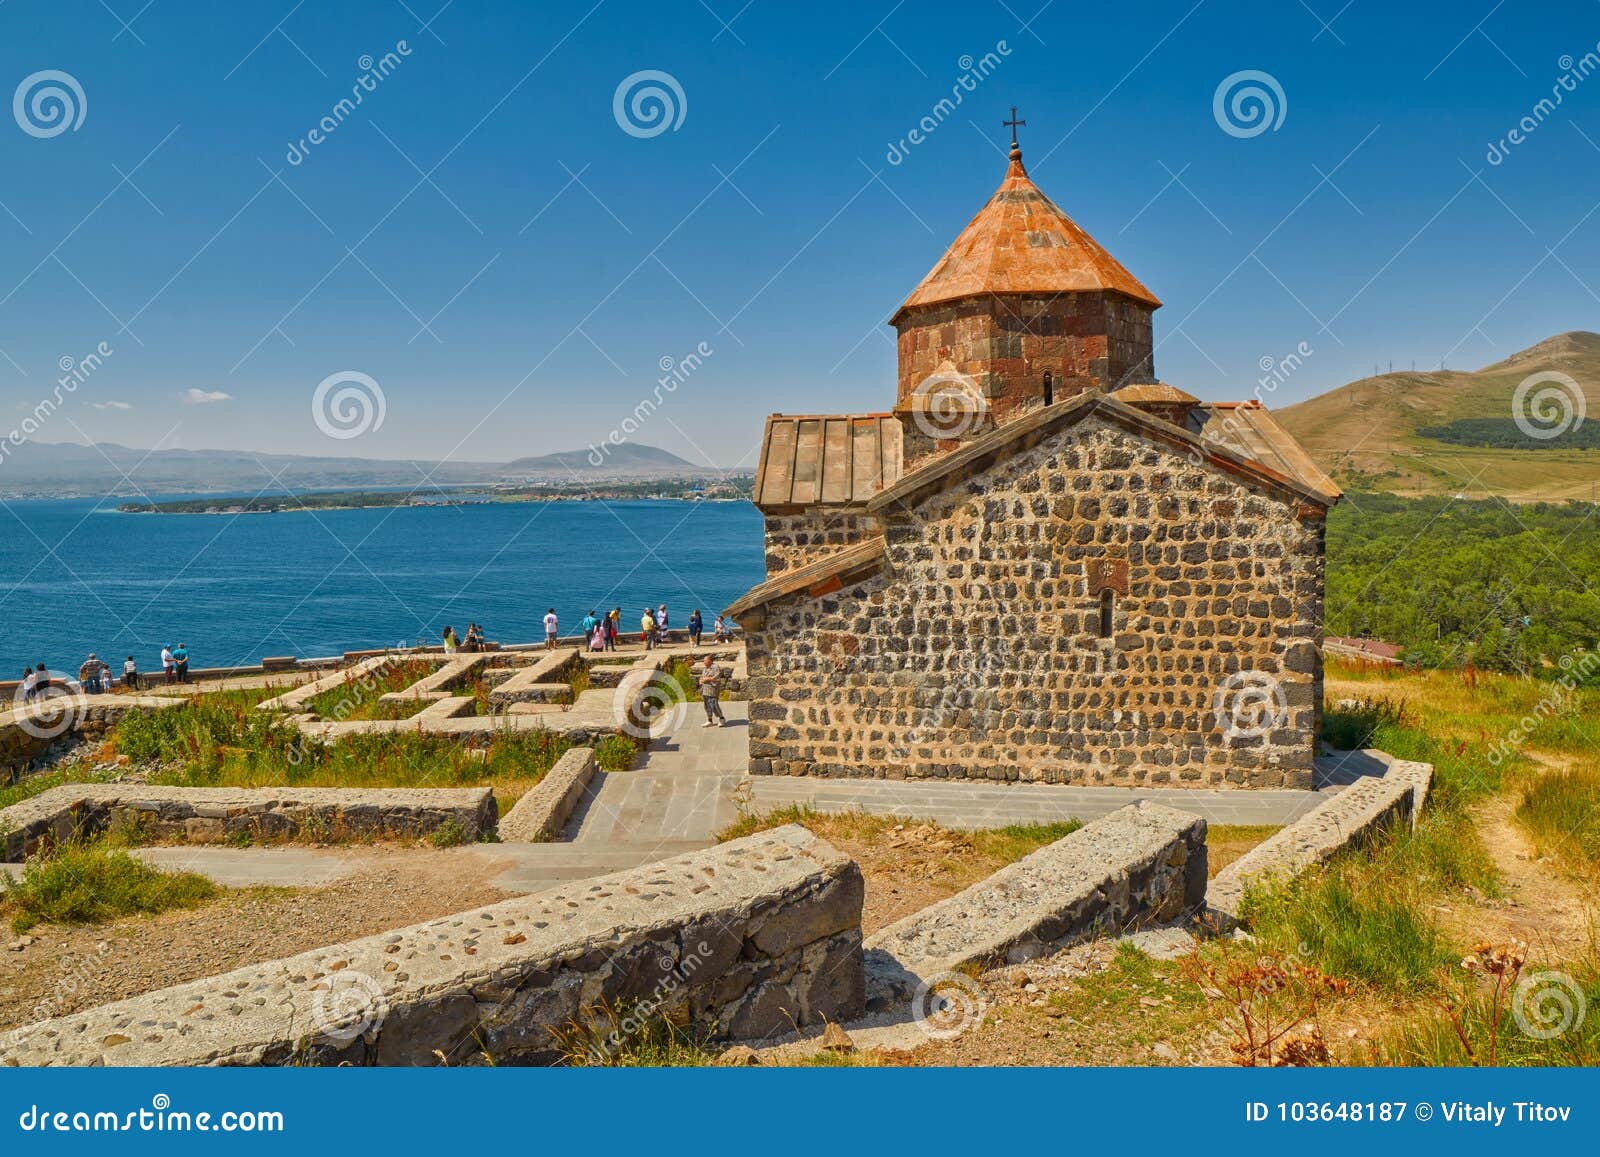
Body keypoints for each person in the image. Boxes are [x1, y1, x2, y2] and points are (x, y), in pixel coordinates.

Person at [697, 655, 726, 727]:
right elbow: (702, 677)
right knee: (707, 705)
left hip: (713, 690)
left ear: (710, 660)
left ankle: (721, 718)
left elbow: (717, 678)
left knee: (714, 705)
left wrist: (707, 679)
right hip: (705, 690)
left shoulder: (715, 667)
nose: (704, 662)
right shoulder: (705, 669)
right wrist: (700, 680)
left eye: (705, 660)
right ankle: (709, 720)